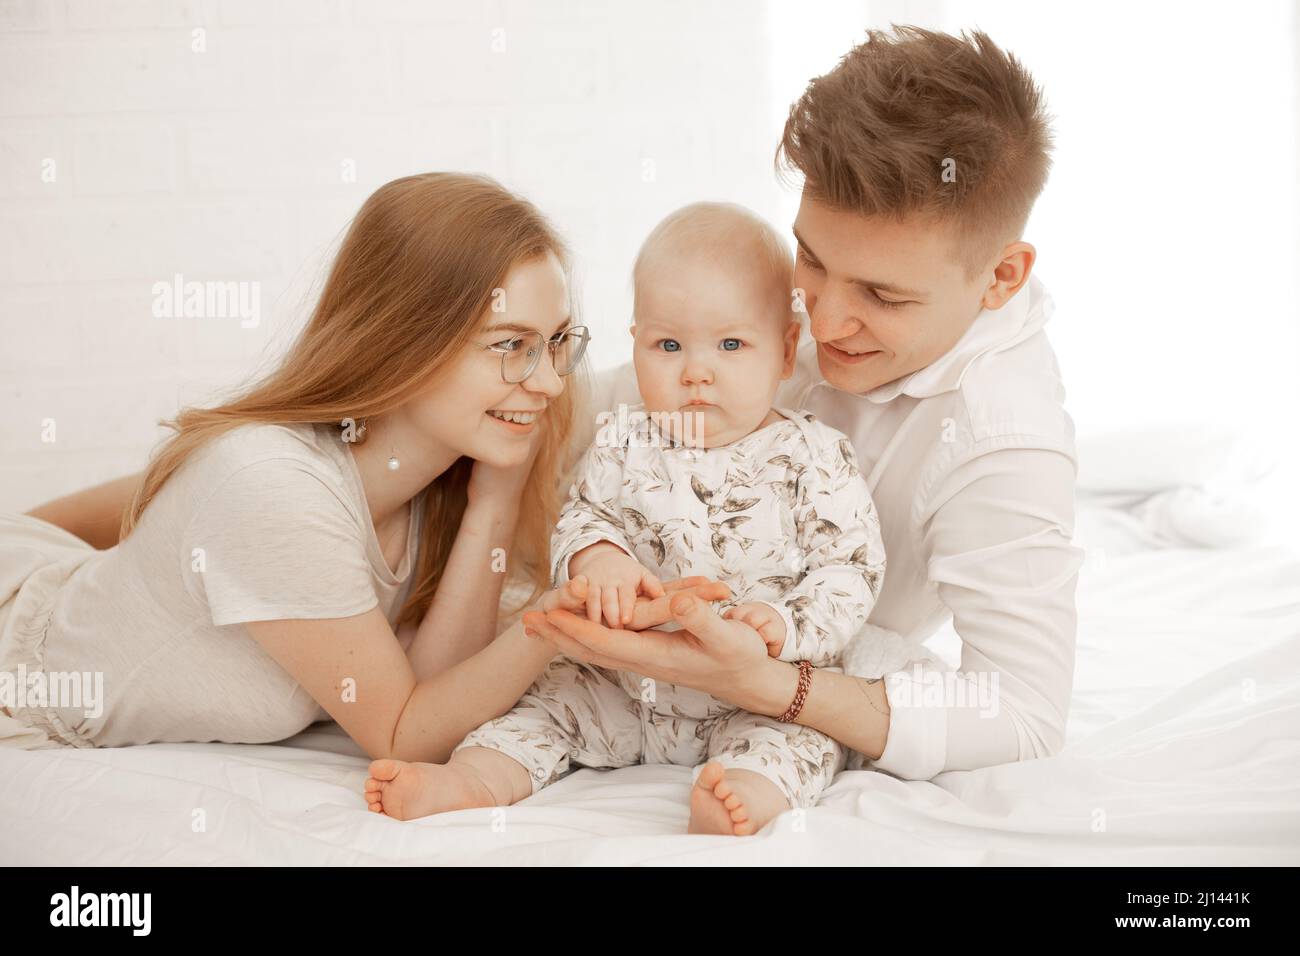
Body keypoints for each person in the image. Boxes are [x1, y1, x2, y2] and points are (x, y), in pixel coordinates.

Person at [523, 26, 1084, 782]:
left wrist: (768, 688)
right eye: (813, 262)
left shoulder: (1003, 442)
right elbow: (589, 414)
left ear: (1001, 277)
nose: (819, 326)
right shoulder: (783, 310)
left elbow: (1021, 713)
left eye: (882, 297)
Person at [1, 172, 718, 756]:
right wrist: (549, 623)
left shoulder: (430, 481)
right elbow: (405, 736)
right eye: (508, 344)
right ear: (406, 340)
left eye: (558, 341)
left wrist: (495, 505)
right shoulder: (272, 485)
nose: (548, 381)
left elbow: (433, 692)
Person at [362, 202, 885, 833]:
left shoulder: (815, 456)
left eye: (731, 344)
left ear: (783, 351)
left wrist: (780, 626)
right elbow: (584, 516)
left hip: (756, 690)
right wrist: (598, 559)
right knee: (543, 707)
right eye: (667, 345)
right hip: (620, 683)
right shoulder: (622, 439)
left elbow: (850, 570)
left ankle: (743, 794)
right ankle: (472, 780)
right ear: (633, 344)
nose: (696, 372)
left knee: (801, 741)